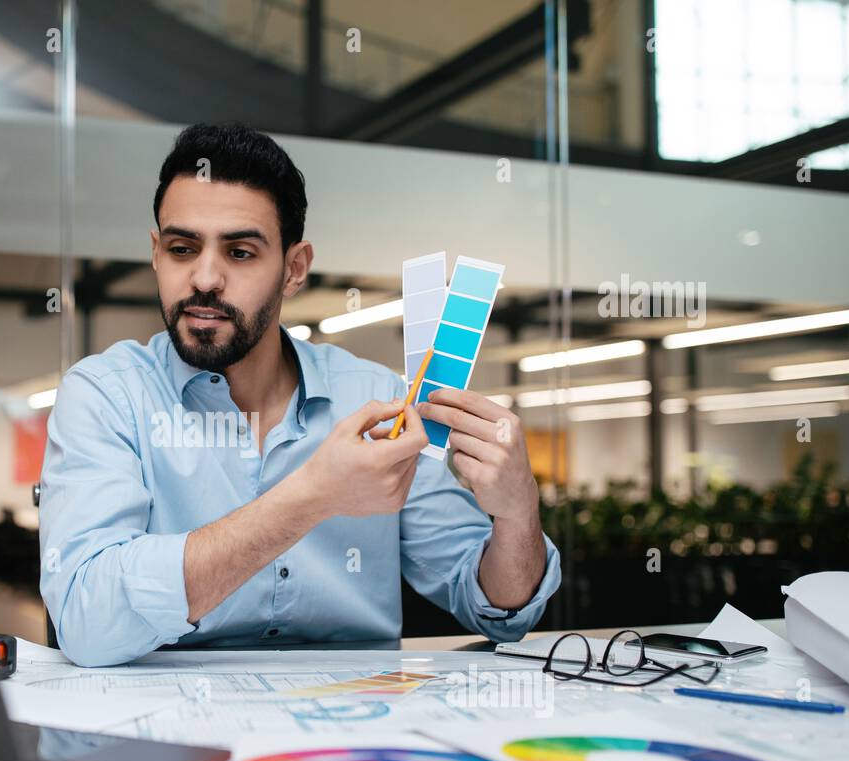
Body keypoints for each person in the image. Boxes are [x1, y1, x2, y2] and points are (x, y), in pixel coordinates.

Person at [39, 123, 560, 666]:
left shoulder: (379, 398)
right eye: (181, 248)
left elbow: (497, 606)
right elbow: (85, 619)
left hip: (354, 724)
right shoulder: (106, 396)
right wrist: (312, 495)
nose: (205, 277)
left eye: (240, 252)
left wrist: (518, 510)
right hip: (170, 733)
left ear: (294, 269)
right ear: (155, 253)